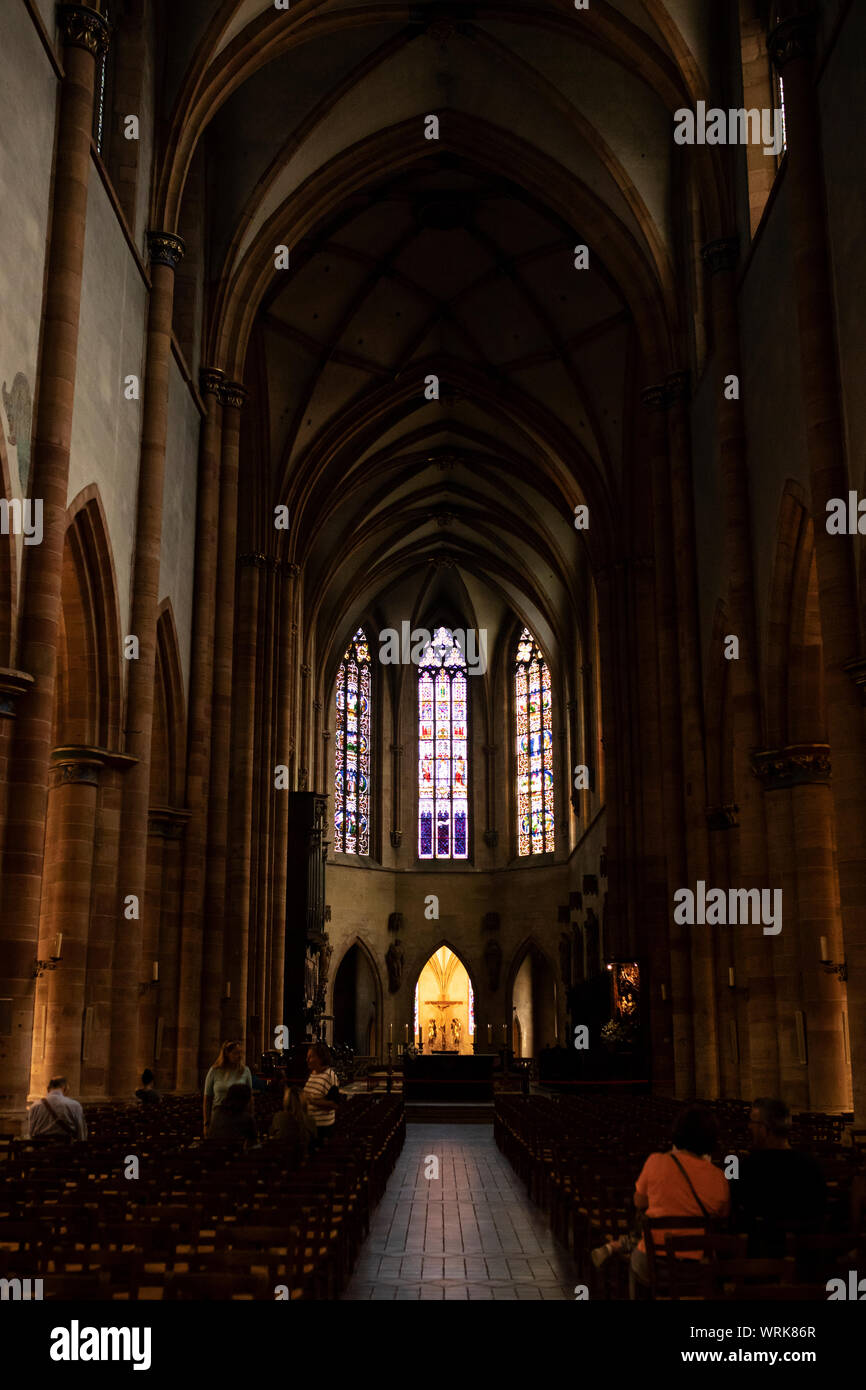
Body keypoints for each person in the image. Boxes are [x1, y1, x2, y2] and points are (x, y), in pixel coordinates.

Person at [592, 1106, 730, 1296]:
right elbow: (722, 1214)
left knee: (637, 1262)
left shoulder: (656, 1162)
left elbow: (639, 1202)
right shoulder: (718, 1177)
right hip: (699, 1265)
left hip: (654, 1262)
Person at [733, 1097, 826, 1258]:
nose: (748, 1127)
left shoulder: (743, 1166)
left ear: (764, 1128)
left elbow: (734, 1210)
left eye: (752, 1122)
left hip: (759, 1259)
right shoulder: (812, 1165)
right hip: (804, 1259)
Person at [203, 1040, 253, 1136]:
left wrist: (251, 1117)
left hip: (239, 1116)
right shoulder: (214, 1071)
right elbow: (207, 1098)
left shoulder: (245, 1071)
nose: (239, 1056)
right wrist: (206, 1123)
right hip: (218, 1115)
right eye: (235, 1053)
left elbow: (250, 1098)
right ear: (227, 1054)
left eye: (240, 1053)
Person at [302, 1042, 340, 1143]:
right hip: (309, 1125)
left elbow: (335, 1104)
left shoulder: (330, 1076)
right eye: (307, 1056)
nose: (307, 1060)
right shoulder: (311, 1074)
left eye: (311, 1057)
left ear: (320, 1058)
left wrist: (312, 1101)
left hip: (322, 1128)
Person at [270, 1085, 316, 1167]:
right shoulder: (310, 1120)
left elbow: (272, 1136)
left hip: (282, 1163)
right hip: (303, 1164)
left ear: (286, 1101)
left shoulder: (279, 1117)